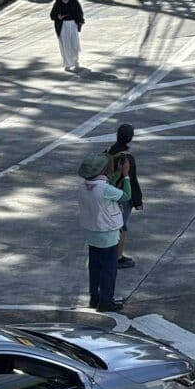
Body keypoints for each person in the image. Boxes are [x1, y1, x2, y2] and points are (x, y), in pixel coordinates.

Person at [76, 151, 130, 312]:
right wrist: (125, 176)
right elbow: (125, 196)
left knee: (95, 266)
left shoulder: (84, 186)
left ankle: (95, 296)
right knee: (109, 268)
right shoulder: (104, 189)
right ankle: (106, 300)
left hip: (92, 231)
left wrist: (114, 176)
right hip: (108, 232)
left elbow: (107, 187)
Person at [107, 123, 142, 269]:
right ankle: (118, 257)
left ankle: (111, 254)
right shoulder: (128, 158)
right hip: (122, 195)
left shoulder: (107, 151)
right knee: (121, 227)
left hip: (108, 193)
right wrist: (138, 200)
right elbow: (132, 181)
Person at [50, 0, 85, 72]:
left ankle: (75, 60)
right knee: (65, 45)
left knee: (74, 43)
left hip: (72, 24)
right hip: (63, 26)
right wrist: (58, 17)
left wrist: (80, 21)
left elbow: (79, 12)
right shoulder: (58, 3)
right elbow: (52, 15)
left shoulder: (74, 1)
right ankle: (67, 63)